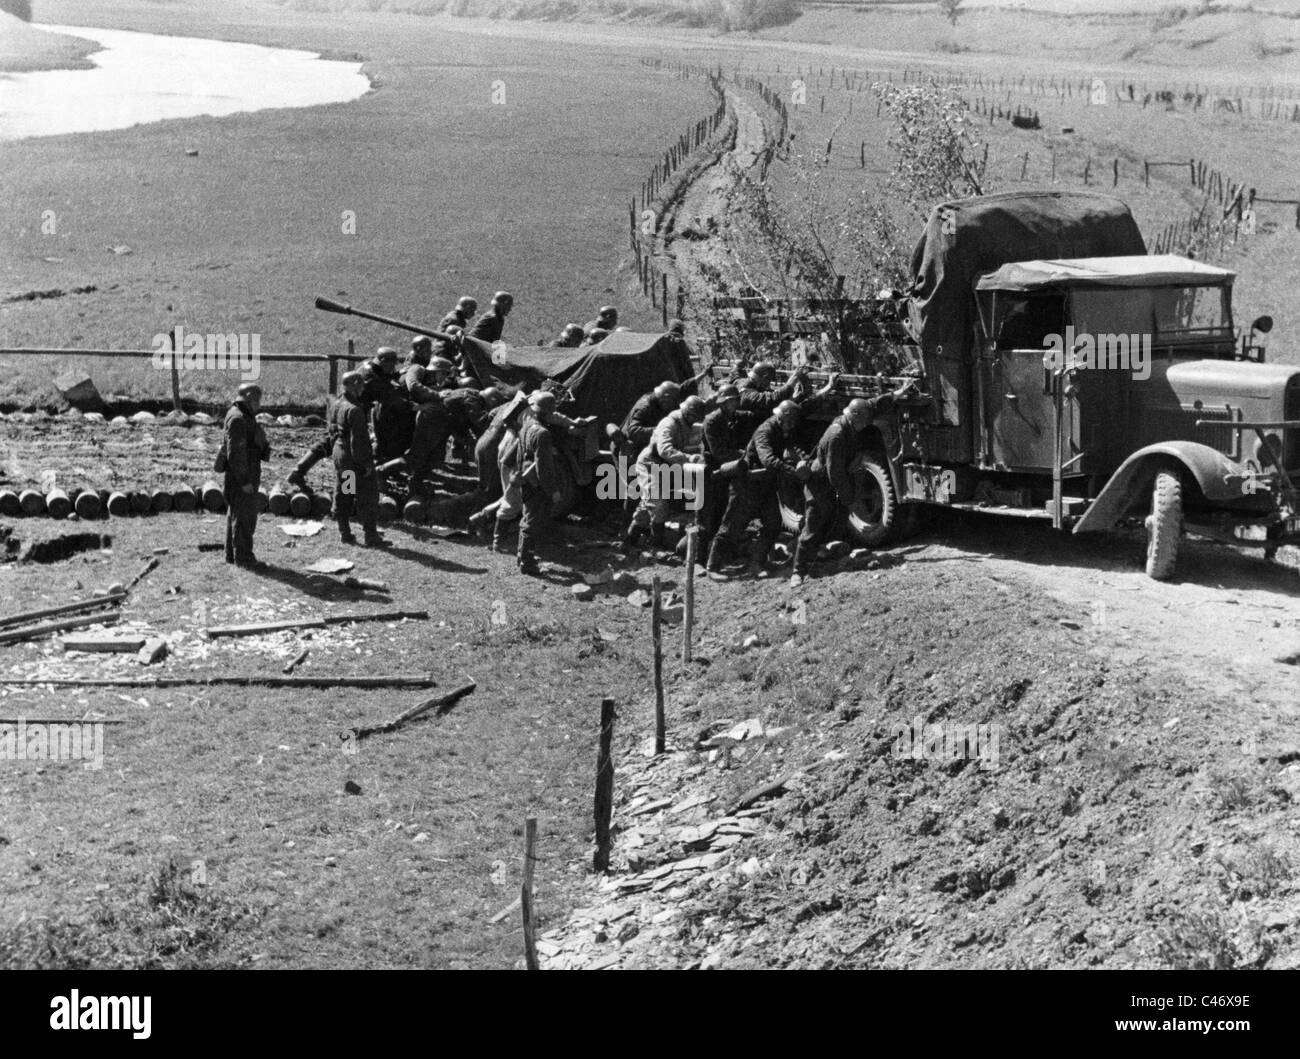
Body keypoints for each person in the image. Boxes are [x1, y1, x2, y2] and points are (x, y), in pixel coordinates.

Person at [790, 384, 913, 586]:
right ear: (856, 418)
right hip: (819, 485)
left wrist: (897, 393)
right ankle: (798, 571)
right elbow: (834, 473)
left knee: (837, 521)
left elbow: (873, 404)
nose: (866, 425)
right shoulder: (836, 435)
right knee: (813, 526)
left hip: (834, 481)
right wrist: (850, 499)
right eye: (864, 421)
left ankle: (826, 555)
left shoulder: (853, 417)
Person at [705, 399, 815, 581]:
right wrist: (792, 472)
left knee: (773, 523)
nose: (793, 425)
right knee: (732, 525)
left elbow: (792, 448)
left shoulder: (783, 430)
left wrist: (804, 461)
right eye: (791, 421)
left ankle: (757, 563)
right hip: (746, 485)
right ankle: (713, 566)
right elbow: (768, 460)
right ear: (783, 418)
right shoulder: (765, 431)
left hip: (765, 485)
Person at [622, 395, 708, 553]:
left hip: (664, 465)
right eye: (696, 417)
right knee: (659, 504)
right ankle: (656, 546)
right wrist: (689, 458)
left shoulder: (684, 424)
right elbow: (665, 450)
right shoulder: (669, 424)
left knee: (648, 505)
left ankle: (629, 540)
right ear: (689, 414)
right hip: (650, 464)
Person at [330, 371, 388, 548]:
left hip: (341, 456)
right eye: (361, 385)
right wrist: (366, 465)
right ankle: (371, 536)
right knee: (367, 496)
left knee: (346, 493)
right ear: (355, 386)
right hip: (355, 460)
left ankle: (345, 532)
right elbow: (359, 442)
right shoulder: (355, 410)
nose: (363, 388)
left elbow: (331, 432)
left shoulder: (336, 404)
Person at [218, 382, 271, 568]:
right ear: (250, 399)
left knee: (237, 514)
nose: (259, 404)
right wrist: (244, 480)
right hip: (350, 464)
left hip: (244, 471)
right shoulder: (239, 418)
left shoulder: (242, 415)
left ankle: (233, 554)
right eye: (257, 400)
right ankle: (243, 557)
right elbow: (236, 453)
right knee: (244, 516)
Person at [511, 391, 560, 576]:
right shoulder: (543, 434)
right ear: (549, 412)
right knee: (533, 522)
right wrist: (553, 490)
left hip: (527, 480)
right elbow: (544, 468)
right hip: (537, 485)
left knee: (527, 517)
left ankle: (521, 556)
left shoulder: (527, 426)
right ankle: (527, 562)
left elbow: (518, 455)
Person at [698, 383, 743, 557]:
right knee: (704, 516)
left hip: (724, 472)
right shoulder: (712, 420)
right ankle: (698, 560)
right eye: (732, 401)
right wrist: (742, 454)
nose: (735, 404)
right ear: (723, 403)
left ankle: (719, 555)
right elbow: (718, 452)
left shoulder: (733, 417)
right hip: (709, 472)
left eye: (736, 400)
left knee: (721, 513)